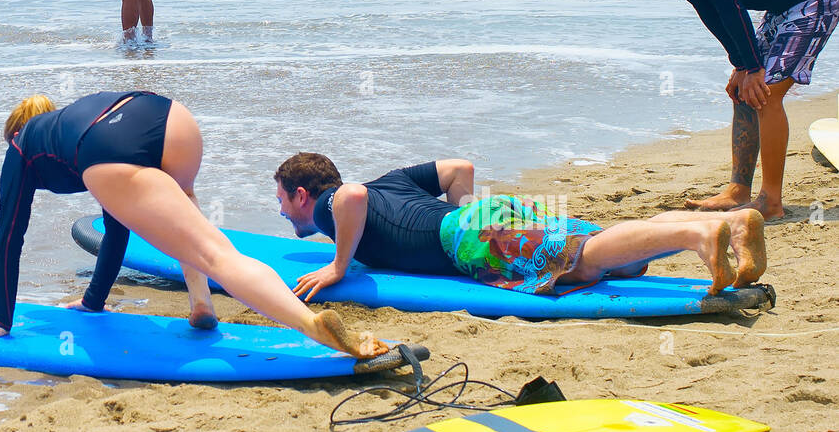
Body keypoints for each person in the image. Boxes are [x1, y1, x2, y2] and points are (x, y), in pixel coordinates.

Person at [0, 91, 387, 360]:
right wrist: (91, 302)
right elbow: (117, 224)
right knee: (189, 218)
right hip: (164, 115)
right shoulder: (69, 119)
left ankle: (312, 326)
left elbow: (9, 236)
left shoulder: (21, 148)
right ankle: (201, 304)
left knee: (215, 254)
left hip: (108, 146)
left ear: (14, 133)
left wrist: (0, 322)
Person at [273, 152, 766, 299]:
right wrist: (469, 214)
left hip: (470, 234)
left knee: (578, 264)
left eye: (280, 201)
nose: (281, 212)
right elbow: (458, 168)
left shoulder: (327, 207)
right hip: (482, 218)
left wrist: (339, 267)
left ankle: (698, 234)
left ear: (302, 194)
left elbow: (351, 196)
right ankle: (731, 223)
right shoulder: (394, 182)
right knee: (601, 253)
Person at [626, 0, 839, 217]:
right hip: (783, 6)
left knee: (764, 93)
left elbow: (730, 7)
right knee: (745, 90)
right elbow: (706, 8)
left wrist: (753, 68)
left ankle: (771, 201)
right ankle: (739, 190)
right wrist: (742, 65)